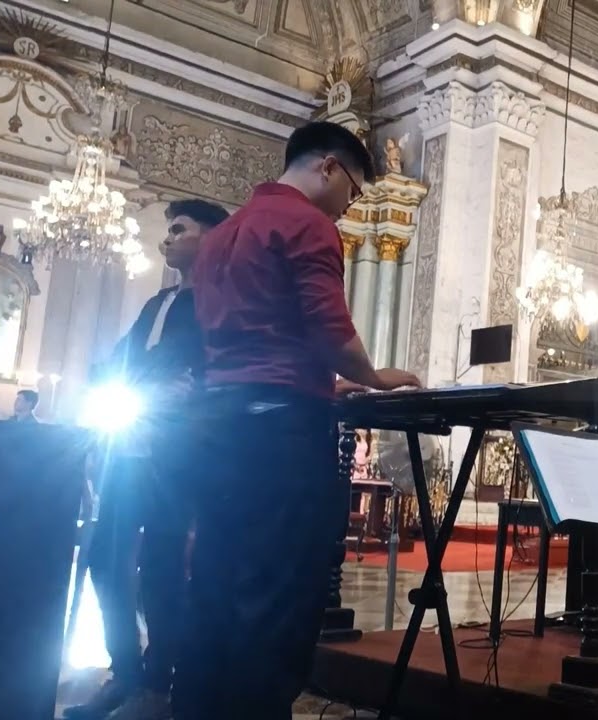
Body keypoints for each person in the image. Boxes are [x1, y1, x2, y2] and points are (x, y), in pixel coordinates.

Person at [179, 121, 420, 719]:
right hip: (280, 434)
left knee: (216, 572)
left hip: (217, 423)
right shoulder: (308, 224)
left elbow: (248, 339)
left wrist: (321, 377)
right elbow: (327, 329)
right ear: (330, 168)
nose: (349, 207)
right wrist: (374, 375)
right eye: (355, 193)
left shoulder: (226, 231)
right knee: (281, 586)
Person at [64, 198, 230, 720]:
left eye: (179, 230)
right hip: (129, 448)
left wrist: (171, 381)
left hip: (179, 455)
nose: (167, 239)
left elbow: (210, 371)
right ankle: (127, 670)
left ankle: (159, 678)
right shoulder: (155, 304)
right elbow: (125, 362)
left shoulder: (220, 304)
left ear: (210, 239)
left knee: (161, 566)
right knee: (102, 559)